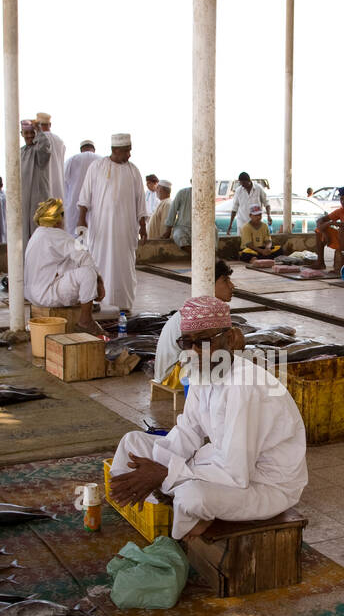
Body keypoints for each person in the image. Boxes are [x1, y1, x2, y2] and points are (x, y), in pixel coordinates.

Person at [109, 296, 307, 541]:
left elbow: (234, 473)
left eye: (204, 342)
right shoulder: (202, 372)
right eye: (187, 343)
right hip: (222, 461)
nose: (195, 352)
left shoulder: (245, 386)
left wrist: (163, 473)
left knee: (192, 496)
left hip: (263, 485)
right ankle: (153, 503)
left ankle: (177, 506)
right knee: (133, 443)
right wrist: (159, 466)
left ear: (231, 338)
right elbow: (187, 430)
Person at [76, 132, 147, 311]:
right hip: (101, 229)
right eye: (126, 151)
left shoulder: (133, 170)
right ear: (115, 150)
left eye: (130, 151)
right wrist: (81, 219)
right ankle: (99, 302)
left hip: (126, 230)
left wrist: (143, 226)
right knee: (99, 262)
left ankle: (124, 305)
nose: (129, 155)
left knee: (125, 266)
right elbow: (85, 197)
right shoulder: (96, 167)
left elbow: (140, 200)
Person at [24, 197, 104, 333]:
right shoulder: (56, 234)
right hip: (46, 295)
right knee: (88, 273)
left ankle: (85, 302)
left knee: (71, 262)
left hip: (32, 295)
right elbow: (84, 255)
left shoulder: (37, 234)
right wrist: (99, 282)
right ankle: (86, 321)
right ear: (58, 219)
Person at [154, 259, 235, 385]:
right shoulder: (198, 314)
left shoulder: (207, 311)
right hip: (172, 376)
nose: (231, 285)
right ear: (210, 284)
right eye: (225, 280)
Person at [20, 119, 52, 246]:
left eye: (31, 133)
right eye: (25, 133)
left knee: (39, 239)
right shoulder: (20, 152)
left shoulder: (40, 151)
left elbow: (44, 147)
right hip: (23, 205)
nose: (29, 136)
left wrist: (39, 130)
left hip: (37, 203)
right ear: (21, 133)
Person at [63, 139, 97, 236]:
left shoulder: (71, 160)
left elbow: (64, 185)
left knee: (78, 243)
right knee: (95, 242)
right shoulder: (101, 160)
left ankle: (80, 249)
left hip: (74, 210)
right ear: (93, 149)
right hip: (96, 209)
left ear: (81, 149)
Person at [35, 111, 66, 197]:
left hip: (43, 186)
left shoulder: (39, 139)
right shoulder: (59, 140)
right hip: (58, 185)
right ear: (50, 125)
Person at [165, 185, 193, 250]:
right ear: (191, 181)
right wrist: (168, 230)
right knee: (178, 235)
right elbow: (173, 210)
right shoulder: (182, 193)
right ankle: (197, 255)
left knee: (213, 231)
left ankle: (213, 256)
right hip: (183, 227)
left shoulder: (206, 193)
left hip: (202, 228)